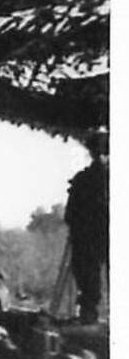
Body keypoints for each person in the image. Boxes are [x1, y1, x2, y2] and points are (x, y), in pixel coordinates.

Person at [64, 127, 109, 323]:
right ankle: (89, 314)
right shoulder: (82, 180)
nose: (100, 155)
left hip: (95, 239)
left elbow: (70, 215)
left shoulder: (83, 180)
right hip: (90, 239)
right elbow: (71, 215)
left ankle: (90, 313)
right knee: (88, 279)